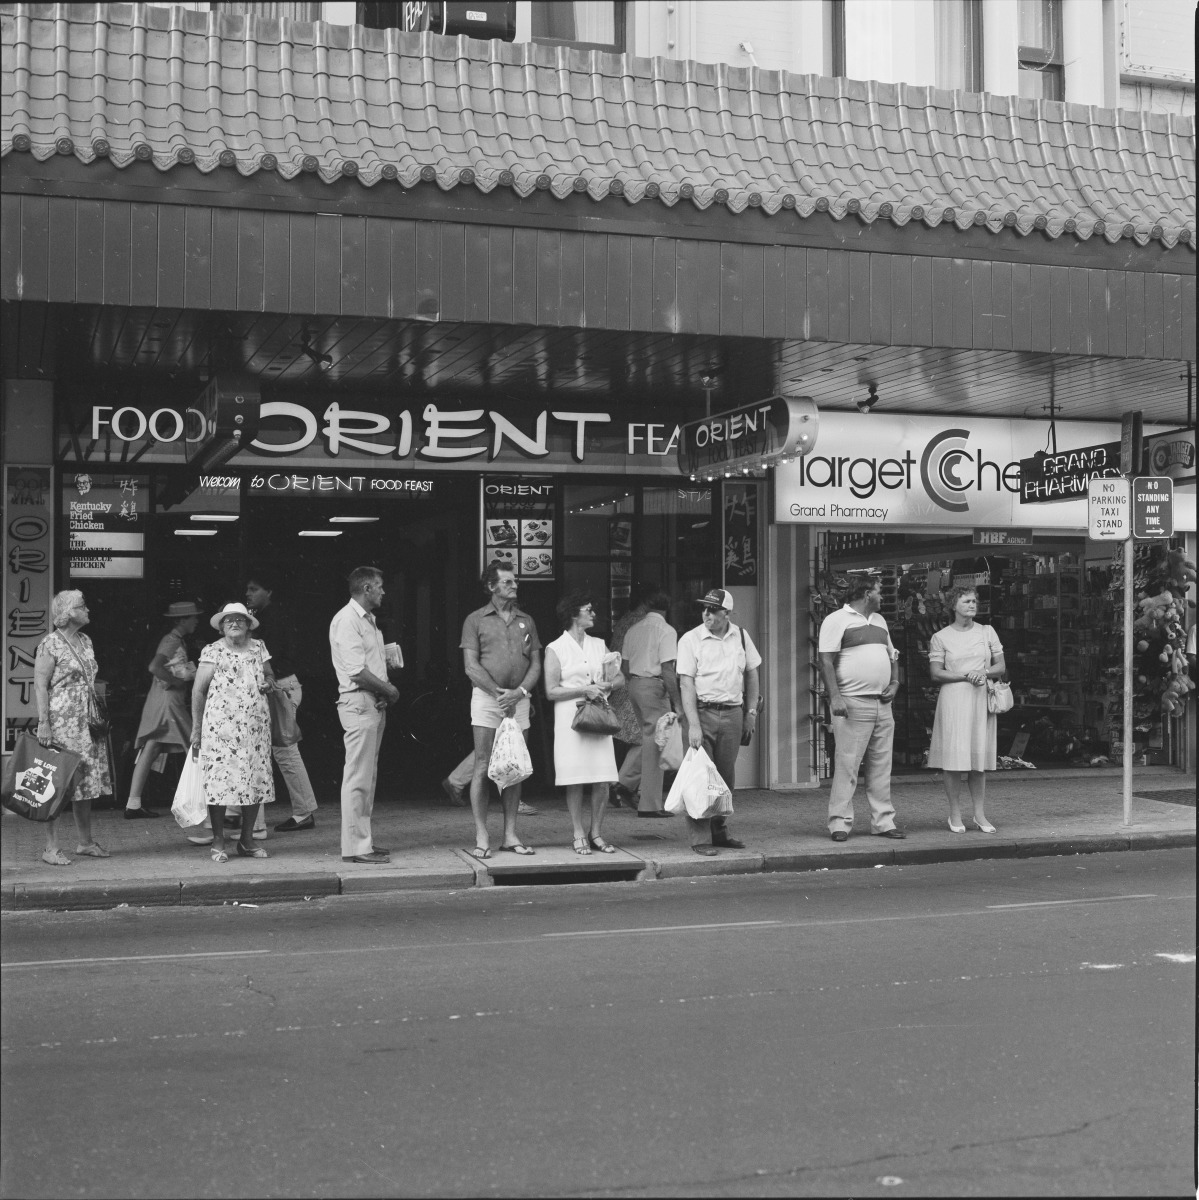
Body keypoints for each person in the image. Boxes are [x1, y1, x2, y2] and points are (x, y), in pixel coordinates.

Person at [459, 563, 541, 859]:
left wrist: (518, 693)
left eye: (514, 580)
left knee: (515, 767)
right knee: (482, 764)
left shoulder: (526, 620)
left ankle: (509, 834)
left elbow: (536, 663)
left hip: (518, 700)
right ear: (491, 587)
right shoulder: (475, 620)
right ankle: (482, 834)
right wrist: (498, 693)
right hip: (487, 698)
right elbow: (471, 666)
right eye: (507, 581)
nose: (514, 585)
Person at [817, 575, 905, 843]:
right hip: (852, 702)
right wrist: (836, 698)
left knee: (881, 765)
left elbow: (893, 655)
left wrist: (895, 682)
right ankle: (839, 823)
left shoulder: (880, 621)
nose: (884, 596)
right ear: (867, 594)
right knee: (847, 765)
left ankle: (883, 822)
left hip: (881, 702)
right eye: (880, 591)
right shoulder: (836, 620)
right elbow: (825, 661)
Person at [675, 589, 759, 855]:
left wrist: (751, 712)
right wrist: (694, 724)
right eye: (704, 609)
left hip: (733, 712)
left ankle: (719, 831)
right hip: (702, 711)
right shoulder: (691, 639)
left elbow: (752, 674)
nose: (707, 614)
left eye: (713, 610)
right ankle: (701, 839)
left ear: (727, 613)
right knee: (701, 777)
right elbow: (686, 682)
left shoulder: (741, 637)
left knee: (724, 776)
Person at [191, 602, 276, 863]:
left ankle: (246, 841)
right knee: (219, 784)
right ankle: (218, 841)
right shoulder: (212, 651)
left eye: (240, 619)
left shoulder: (259, 647)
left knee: (254, 782)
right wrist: (196, 729)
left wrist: (268, 683)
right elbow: (198, 691)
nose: (234, 624)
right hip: (221, 730)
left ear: (249, 624)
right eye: (229, 621)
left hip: (255, 728)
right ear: (221, 627)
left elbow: (270, 675)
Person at [33, 590, 113, 865]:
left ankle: (85, 842)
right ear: (68, 613)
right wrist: (44, 723)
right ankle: (50, 847)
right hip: (62, 720)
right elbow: (41, 685)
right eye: (82, 605)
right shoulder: (50, 644)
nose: (88, 609)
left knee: (84, 780)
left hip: (85, 720)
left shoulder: (85, 640)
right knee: (58, 781)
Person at [544, 592, 625, 854]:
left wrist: (608, 684)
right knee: (575, 777)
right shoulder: (555, 648)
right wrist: (584, 690)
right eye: (587, 609)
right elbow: (551, 691)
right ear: (573, 614)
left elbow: (620, 679)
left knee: (601, 778)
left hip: (598, 715)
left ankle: (597, 833)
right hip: (570, 718)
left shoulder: (599, 644)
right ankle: (578, 832)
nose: (593, 614)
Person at [329, 567, 400, 864]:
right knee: (358, 776)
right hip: (359, 702)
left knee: (366, 776)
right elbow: (356, 672)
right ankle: (357, 847)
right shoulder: (348, 620)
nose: (383, 592)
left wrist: (382, 689)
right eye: (380, 586)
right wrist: (390, 690)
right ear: (367, 588)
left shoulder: (366, 621)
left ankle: (363, 842)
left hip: (370, 702)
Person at [927, 587, 1006, 834]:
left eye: (974, 601)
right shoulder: (940, 636)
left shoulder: (987, 631)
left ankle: (979, 813)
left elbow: (1000, 666)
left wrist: (982, 672)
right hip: (954, 698)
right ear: (954, 605)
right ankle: (955, 813)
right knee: (953, 759)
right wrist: (964, 675)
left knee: (977, 759)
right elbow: (936, 672)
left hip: (980, 696)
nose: (972, 605)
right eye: (966, 601)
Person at [245, 573, 320, 833]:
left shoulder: (270, 620)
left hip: (280, 688)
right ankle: (301, 811)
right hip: (284, 685)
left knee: (282, 751)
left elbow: (269, 661)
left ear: (270, 591)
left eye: (254, 588)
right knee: (281, 752)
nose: (249, 593)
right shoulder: (271, 617)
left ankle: (298, 813)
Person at [124, 600, 201, 820]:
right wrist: (176, 682)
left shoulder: (174, 639)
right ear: (183, 620)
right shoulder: (171, 640)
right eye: (193, 617)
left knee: (152, 748)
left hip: (160, 701)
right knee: (195, 748)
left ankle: (133, 803)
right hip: (170, 702)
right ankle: (201, 804)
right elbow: (154, 667)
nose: (196, 621)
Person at [616, 591, 681, 817]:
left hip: (634, 684)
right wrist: (678, 703)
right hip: (654, 686)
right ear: (667, 609)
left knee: (648, 736)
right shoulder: (667, 631)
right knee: (658, 741)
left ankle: (624, 781)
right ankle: (650, 805)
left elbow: (624, 666)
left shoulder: (634, 630)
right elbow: (667, 669)